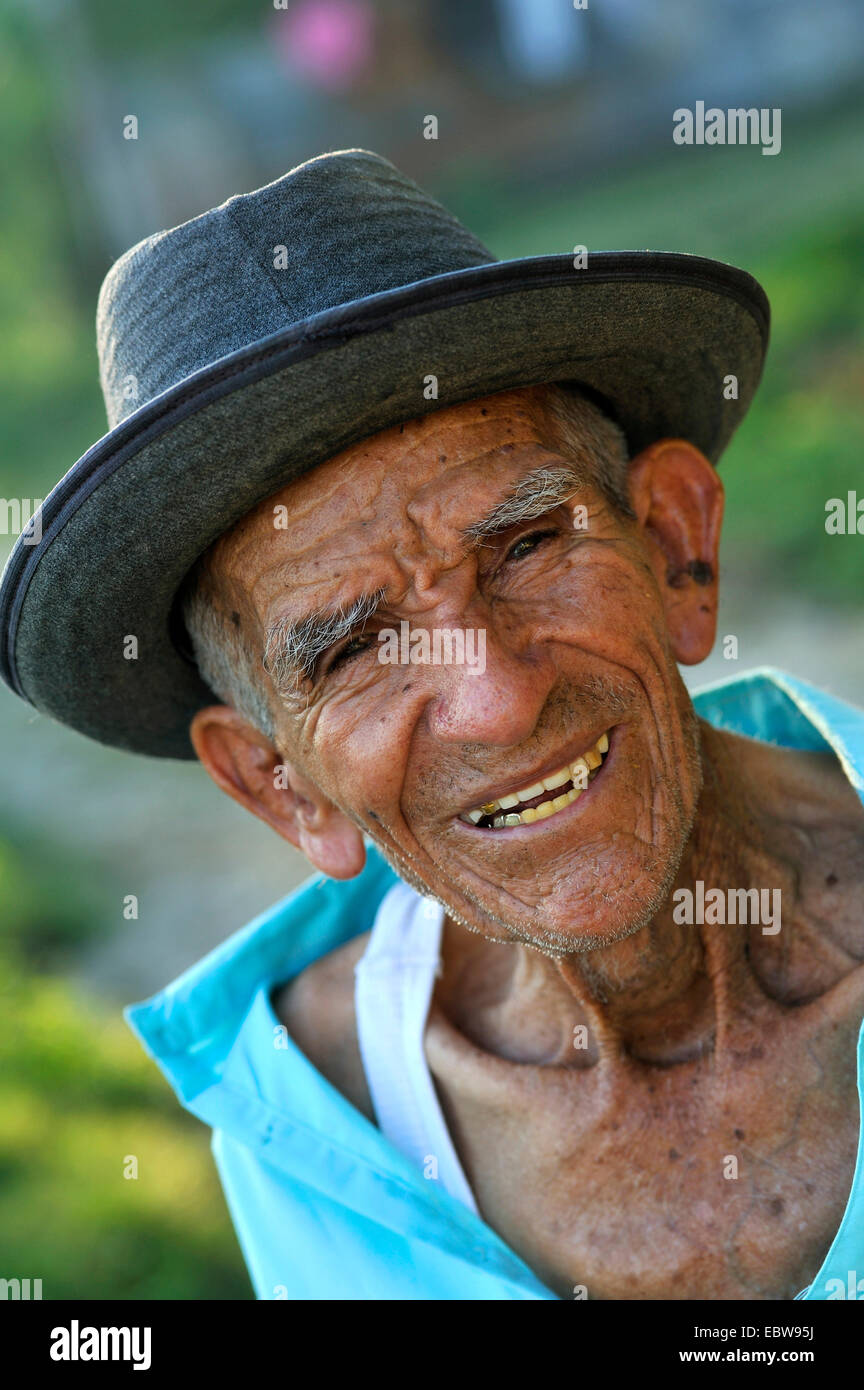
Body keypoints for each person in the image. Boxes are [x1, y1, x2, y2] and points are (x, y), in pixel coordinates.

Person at [2, 149, 862, 1301]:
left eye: (526, 546)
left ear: (672, 547)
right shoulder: (313, 1134)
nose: (497, 697)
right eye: (353, 649)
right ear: (279, 784)